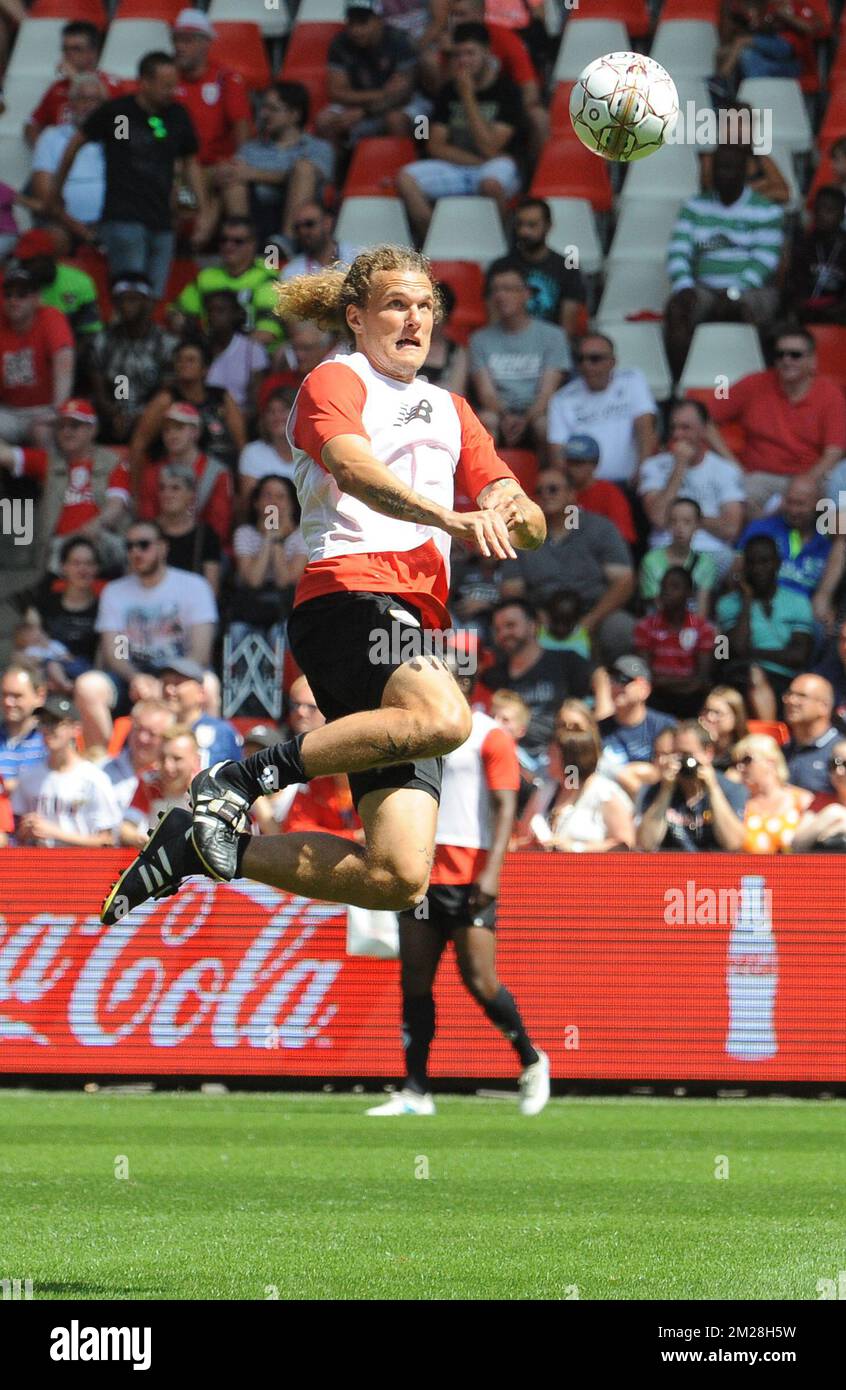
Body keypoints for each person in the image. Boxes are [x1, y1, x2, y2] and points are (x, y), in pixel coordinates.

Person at [99, 243, 545, 927]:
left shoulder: (453, 408)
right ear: (356, 317)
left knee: (396, 876)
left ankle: (201, 846)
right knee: (449, 718)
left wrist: (520, 514)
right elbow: (356, 469)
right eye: (396, 303)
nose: (414, 319)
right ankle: (237, 778)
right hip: (349, 595)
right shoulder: (336, 380)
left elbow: (519, 506)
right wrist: (449, 518)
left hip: (412, 623)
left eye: (425, 306)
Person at [366, 659, 549, 1117]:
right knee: (415, 981)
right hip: (420, 870)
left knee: (480, 980)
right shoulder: (413, 730)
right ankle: (415, 1090)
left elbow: (506, 805)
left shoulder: (488, 734)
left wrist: (493, 873)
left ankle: (530, 1059)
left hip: (469, 874)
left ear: (463, 684)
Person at [50, 51, 215, 298]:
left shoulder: (177, 115)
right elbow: (77, 142)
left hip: (162, 220)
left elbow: (190, 162)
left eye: (174, 85)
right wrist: (57, 189)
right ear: (145, 82)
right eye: (165, 85)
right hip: (124, 217)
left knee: (155, 296)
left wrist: (200, 210)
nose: (172, 91)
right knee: (130, 294)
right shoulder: (120, 114)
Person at [77, 518, 217, 746]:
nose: (136, 552)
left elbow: (200, 653)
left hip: (179, 672)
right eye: (129, 546)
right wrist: (136, 678)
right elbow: (115, 652)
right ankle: (103, 766)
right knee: (88, 686)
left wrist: (168, 683)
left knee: (209, 685)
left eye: (143, 545)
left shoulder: (194, 586)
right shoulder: (115, 591)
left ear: (163, 547)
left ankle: (207, 763)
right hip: (132, 675)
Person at [664, 142, 784, 380]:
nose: (722, 175)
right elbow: (678, 251)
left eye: (729, 168)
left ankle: (753, 381)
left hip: (750, 289)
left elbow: (765, 261)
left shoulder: (766, 210)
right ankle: (682, 382)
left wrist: (733, 293)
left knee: (743, 309)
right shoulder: (694, 206)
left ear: (744, 171)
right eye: (718, 169)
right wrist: (683, 286)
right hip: (704, 288)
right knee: (678, 309)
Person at [396, 22, 523, 241]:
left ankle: (497, 244)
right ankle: (436, 243)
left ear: (487, 52)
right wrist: (477, 161)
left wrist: (467, 96)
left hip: (498, 169)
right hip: (461, 165)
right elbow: (435, 146)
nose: (463, 60)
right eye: (458, 55)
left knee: (490, 184)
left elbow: (490, 145)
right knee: (406, 178)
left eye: (470, 53)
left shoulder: (507, 90)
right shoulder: (448, 90)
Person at [708, 325, 846, 518]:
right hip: (759, 478)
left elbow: (834, 452)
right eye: (780, 355)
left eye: (795, 355)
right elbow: (704, 418)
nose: (786, 360)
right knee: (733, 498)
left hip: (810, 477)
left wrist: (805, 483)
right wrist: (734, 466)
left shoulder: (830, 394)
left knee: (837, 497)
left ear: (812, 361)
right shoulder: (752, 383)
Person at [500, 470, 636, 664]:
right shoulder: (523, 533)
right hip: (542, 614)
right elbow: (511, 589)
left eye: (553, 489)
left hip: (593, 611)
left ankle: (616, 686)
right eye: (539, 491)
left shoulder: (599, 528)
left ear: (572, 494)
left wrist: (591, 620)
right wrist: (536, 616)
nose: (546, 495)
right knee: (510, 626)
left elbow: (624, 581)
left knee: (621, 628)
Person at [0, 397, 130, 576]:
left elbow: (116, 506)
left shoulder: (113, 461)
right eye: (61, 426)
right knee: (59, 555)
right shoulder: (48, 461)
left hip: (100, 540)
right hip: (60, 547)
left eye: (75, 426)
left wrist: (91, 528)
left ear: (93, 429)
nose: (66, 432)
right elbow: (4, 454)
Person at [218, 82, 335, 248]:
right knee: (232, 179)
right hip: (257, 213)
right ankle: (241, 242)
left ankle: (287, 243)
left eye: (273, 109)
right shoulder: (251, 149)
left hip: (303, 218)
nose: (264, 114)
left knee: (303, 169)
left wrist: (253, 174)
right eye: (264, 108)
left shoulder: (318, 148)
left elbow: (307, 176)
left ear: (294, 114)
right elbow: (233, 173)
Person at [469, 265, 571, 448]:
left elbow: (547, 393)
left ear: (526, 294)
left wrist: (525, 419)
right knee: (485, 420)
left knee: (546, 425)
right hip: (500, 413)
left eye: (508, 289)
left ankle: (552, 475)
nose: (500, 296)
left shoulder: (553, 336)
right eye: (496, 290)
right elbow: (486, 394)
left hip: (538, 412)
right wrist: (506, 416)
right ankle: (488, 476)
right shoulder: (479, 339)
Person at [477, 598, 591, 762]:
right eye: (497, 629)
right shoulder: (492, 676)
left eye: (510, 625)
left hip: (558, 757)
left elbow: (599, 679)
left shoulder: (568, 662)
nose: (503, 634)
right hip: (508, 757)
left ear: (533, 626)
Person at [638, 398, 745, 570]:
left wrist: (685, 519)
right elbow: (658, 518)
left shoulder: (725, 470)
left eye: (685, 428)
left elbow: (731, 528)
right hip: (665, 551)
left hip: (712, 551)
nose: (677, 435)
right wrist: (679, 467)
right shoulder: (653, 466)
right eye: (674, 427)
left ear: (704, 430)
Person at [716, 534, 815, 717]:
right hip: (741, 678)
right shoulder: (727, 604)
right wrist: (746, 601)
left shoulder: (799, 602)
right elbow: (736, 649)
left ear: (777, 564)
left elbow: (798, 656)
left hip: (785, 680)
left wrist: (753, 653)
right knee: (747, 674)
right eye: (752, 563)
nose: (758, 569)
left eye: (764, 562)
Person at [547, 332, 658, 488]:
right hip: (587, 488)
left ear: (613, 361)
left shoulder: (632, 380)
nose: (586, 365)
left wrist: (643, 470)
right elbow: (558, 452)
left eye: (595, 359)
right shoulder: (562, 399)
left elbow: (646, 429)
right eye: (580, 359)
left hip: (631, 483)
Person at [129, 338, 246, 483]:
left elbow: (241, 443)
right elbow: (139, 444)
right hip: (178, 483)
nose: (183, 364)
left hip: (225, 478)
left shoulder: (222, 397)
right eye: (179, 360)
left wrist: (243, 486)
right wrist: (135, 492)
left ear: (205, 369)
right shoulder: (165, 400)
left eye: (191, 360)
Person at [12, 694, 120, 847]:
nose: (48, 729)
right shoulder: (29, 776)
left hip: (80, 867)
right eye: (44, 722)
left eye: (55, 722)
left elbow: (107, 841)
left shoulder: (94, 778)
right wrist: (26, 830)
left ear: (76, 729)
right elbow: (15, 833)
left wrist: (54, 832)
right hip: (39, 865)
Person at [86, 274, 179, 445]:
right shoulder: (103, 340)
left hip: (154, 413)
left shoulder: (167, 343)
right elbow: (100, 391)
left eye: (133, 300)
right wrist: (116, 414)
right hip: (112, 413)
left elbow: (167, 392)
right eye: (121, 300)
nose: (126, 305)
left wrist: (139, 416)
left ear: (149, 303)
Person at [317, 0, 419, 151]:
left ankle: (406, 165)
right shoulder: (340, 43)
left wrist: (365, 112)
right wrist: (382, 93)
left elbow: (403, 95)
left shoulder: (400, 40)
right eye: (351, 23)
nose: (356, 30)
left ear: (378, 20)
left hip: (407, 105)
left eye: (363, 23)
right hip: (365, 102)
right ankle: (337, 172)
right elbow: (336, 92)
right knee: (325, 120)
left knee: (396, 120)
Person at [637, 720, 747, 852]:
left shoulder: (732, 789)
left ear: (708, 753)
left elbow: (733, 843)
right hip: (672, 866)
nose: (682, 761)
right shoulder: (655, 790)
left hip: (715, 868)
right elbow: (646, 844)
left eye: (687, 755)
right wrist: (666, 791)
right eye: (676, 754)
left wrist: (713, 789)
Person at [486, 196, 586, 338]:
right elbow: (494, 321)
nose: (524, 231)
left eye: (532, 225)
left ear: (548, 226)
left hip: (550, 346)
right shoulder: (500, 267)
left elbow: (567, 327)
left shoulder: (567, 267)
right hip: (507, 346)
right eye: (520, 224)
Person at [137, 401, 233, 548]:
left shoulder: (218, 472)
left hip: (204, 547)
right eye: (167, 430)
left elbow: (219, 526)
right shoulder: (152, 472)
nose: (172, 434)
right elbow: (147, 518)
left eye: (179, 428)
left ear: (196, 432)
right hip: (161, 546)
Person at [525, 724, 635, 853]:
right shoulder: (545, 791)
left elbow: (625, 845)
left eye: (553, 754)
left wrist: (575, 848)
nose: (547, 758)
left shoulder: (605, 794)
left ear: (571, 759)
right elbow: (522, 835)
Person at [173, 217, 281, 345]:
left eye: (237, 241)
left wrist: (229, 354)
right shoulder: (206, 277)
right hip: (210, 350)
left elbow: (267, 333)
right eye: (224, 240)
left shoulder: (265, 278)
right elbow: (177, 312)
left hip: (255, 355)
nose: (229, 246)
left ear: (253, 245)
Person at [229, 474, 308, 647]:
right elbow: (254, 580)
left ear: (291, 504)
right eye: (267, 496)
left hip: (287, 610)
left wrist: (278, 539)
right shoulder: (244, 533)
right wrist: (269, 537)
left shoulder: (301, 536)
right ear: (256, 503)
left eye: (280, 497)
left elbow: (284, 581)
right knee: (239, 632)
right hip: (251, 610)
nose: (273, 502)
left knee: (281, 634)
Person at [0, 265, 75, 446]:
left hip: (45, 409)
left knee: (42, 432)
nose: (13, 300)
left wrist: (57, 410)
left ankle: (54, 475)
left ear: (36, 298)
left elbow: (64, 361)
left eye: (22, 295)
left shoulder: (50, 317)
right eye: (8, 295)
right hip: (8, 411)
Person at [171, 9, 251, 173]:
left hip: (218, 168)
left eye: (187, 41)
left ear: (206, 43)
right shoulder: (167, 77)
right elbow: (151, 119)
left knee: (234, 184)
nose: (179, 47)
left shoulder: (225, 78)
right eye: (176, 40)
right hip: (179, 167)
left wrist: (241, 161)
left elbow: (241, 124)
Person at [30, 74, 107, 241]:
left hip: (110, 224)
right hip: (64, 225)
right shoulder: (51, 137)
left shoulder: (115, 139)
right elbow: (45, 195)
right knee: (54, 238)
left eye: (96, 100)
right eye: (83, 99)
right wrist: (83, 232)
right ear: (71, 104)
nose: (89, 106)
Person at [633, 567, 716, 719]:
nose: (667, 592)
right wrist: (676, 683)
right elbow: (645, 677)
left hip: (690, 698)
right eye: (664, 587)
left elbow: (701, 679)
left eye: (675, 587)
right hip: (656, 697)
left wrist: (665, 682)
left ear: (689, 593)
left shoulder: (704, 629)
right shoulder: (644, 627)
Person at [24, 20, 122, 147]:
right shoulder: (57, 88)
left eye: (76, 49)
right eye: (65, 49)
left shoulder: (112, 84)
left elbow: (122, 126)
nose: (69, 54)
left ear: (93, 53)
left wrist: (76, 79)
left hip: (99, 154)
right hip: (61, 157)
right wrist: (44, 150)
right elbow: (31, 124)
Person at [735, 474, 830, 602]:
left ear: (819, 505)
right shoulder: (760, 529)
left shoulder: (828, 544)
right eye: (789, 502)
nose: (793, 510)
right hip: (761, 606)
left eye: (800, 504)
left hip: (806, 616)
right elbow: (736, 572)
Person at [597, 656, 676, 798]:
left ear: (644, 689)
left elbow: (667, 772)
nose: (616, 686)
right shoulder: (598, 730)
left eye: (623, 680)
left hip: (651, 804)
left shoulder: (665, 726)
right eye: (612, 679)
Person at [10, 228, 101, 342]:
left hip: (73, 349)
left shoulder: (80, 282)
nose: (26, 267)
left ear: (49, 257)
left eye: (31, 261)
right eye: (23, 262)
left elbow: (89, 332)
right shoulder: (14, 289)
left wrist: (64, 356)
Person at [33, 537, 102, 686]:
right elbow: (29, 642)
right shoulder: (45, 603)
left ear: (96, 568)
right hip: (46, 677)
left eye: (89, 563)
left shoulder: (105, 606)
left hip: (88, 680)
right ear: (63, 567)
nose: (83, 569)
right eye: (76, 563)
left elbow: (112, 650)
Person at [120, 724, 202, 847]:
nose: (168, 766)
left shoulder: (205, 789)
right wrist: (142, 840)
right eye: (162, 758)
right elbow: (126, 828)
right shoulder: (149, 782)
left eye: (177, 759)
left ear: (196, 760)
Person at [733, 732, 812, 853]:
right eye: (737, 763)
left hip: (792, 870)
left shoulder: (802, 800)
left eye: (746, 760)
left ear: (771, 761)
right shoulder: (738, 803)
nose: (740, 767)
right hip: (749, 871)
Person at [639, 498, 718, 618]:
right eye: (673, 521)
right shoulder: (651, 561)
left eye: (687, 522)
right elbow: (656, 607)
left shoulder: (705, 563)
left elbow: (702, 611)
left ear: (698, 525)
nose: (679, 528)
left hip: (692, 628)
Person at [159, 658, 241, 772]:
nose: (168, 690)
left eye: (177, 683)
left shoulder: (220, 732)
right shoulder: (153, 730)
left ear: (201, 693)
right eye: (165, 683)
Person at [154, 464, 221, 593]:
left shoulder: (206, 535)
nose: (167, 494)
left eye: (175, 488)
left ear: (191, 494)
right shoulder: (146, 531)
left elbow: (211, 591)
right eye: (162, 488)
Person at [560, 433, 636, 545]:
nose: (571, 468)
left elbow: (622, 537)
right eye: (569, 462)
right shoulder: (558, 492)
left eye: (578, 463)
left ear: (594, 464)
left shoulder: (609, 492)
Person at [102, 697, 173, 814]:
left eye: (152, 734)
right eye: (138, 729)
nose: (142, 738)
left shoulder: (172, 779)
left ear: (167, 737)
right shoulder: (103, 770)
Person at [204, 289, 270, 412]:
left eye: (220, 311)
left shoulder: (252, 350)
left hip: (241, 416)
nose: (213, 316)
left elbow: (256, 399)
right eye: (210, 311)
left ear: (236, 314)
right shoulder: (200, 347)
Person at [788, 186, 846, 324]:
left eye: (830, 210)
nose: (822, 214)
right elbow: (794, 286)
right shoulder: (804, 244)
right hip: (806, 313)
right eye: (818, 208)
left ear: (842, 216)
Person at [237, 386, 297, 510]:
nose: (276, 416)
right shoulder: (252, 453)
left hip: (308, 525)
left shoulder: (312, 454)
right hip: (269, 522)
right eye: (271, 411)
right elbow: (250, 505)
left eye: (283, 410)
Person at [782, 673, 839, 792]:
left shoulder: (839, 752)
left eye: (801, 696)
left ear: (824, 706)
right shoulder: (782, 750)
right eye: (789, 694)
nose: (791, 700)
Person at [0, 659, 48, 793]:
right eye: (4, 694)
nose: (8, 702)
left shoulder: (49, 739)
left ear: (39, 696)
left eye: (17, 696)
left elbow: (53, 780)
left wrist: (10, 787)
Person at [278, 203, 358, 283]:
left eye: (309, 224)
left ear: (327, 223)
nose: (303, 231)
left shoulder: (355, 257)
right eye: (297, 227)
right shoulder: (291, 272)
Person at [793, 736, 846, 851]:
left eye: (845, 764)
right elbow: (796, 846)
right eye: (834, 764)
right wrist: (831, 815)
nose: (839, 771)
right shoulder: (821, 802)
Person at [420, 282, 468, 394]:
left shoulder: (457, 353)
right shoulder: (403, 345)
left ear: (447, 316)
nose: (431, 319)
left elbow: (456, 393)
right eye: (426, 310)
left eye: (437, 313)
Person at [698, 684, 749, 774]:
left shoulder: (744, 753)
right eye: (706, 710)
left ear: (736, 717)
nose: (710, 717)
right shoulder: (695, 747)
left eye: (717, 713)